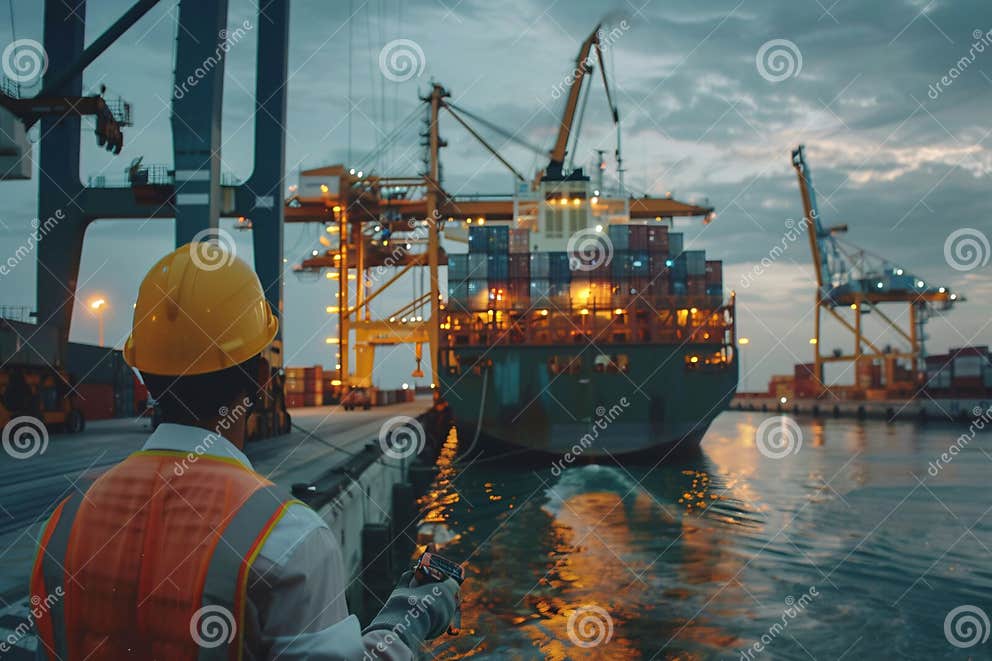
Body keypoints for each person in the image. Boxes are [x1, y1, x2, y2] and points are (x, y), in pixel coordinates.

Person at [29, 243, 459, 660]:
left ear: (142, 371)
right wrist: (411, 616)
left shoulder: (64, 525)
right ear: (260, 379)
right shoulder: (289, 538)